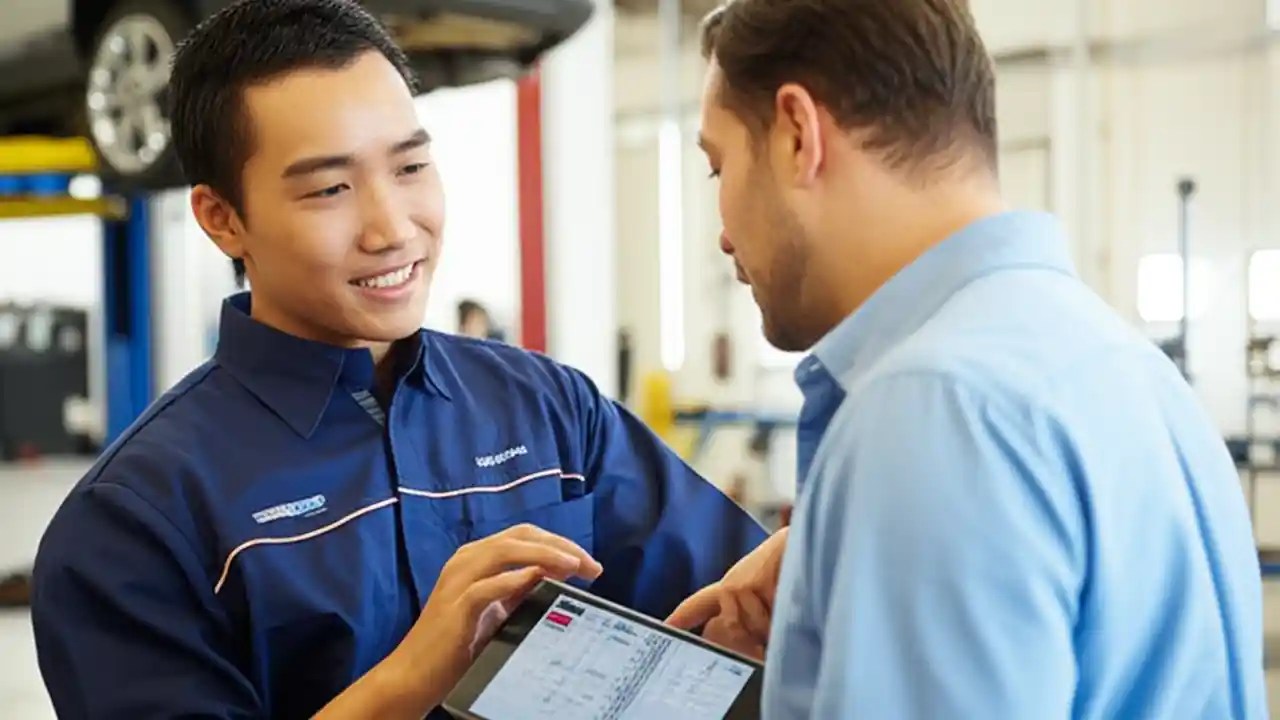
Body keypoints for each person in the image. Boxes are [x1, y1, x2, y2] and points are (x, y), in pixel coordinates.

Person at [29, 1, 769, 718]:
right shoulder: (137, 525)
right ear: (222, 219)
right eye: (330, 189)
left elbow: (734, 612)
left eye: (411, 168)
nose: (392, 229)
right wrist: (418, 670)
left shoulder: (550, 412)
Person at [667, 0, 1268, 717]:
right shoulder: (1122, 364)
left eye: (717, 167)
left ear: (798, 134)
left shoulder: (934, 408)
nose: (724, 235)